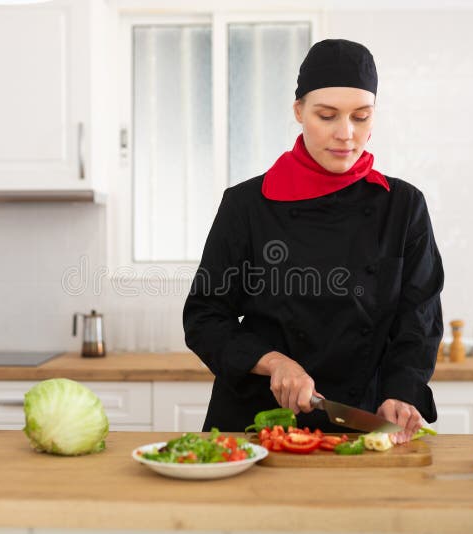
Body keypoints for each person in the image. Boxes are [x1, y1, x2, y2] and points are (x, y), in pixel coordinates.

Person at [182, 39, 444, 444]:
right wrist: (272, 362)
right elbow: (204, 317)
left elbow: (419, 322)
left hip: (362, 422)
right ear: (299, 111)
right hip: (258, 423)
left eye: (361, 117)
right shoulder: (247, 206)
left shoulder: (403, 206)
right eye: (327, 116)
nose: (346, 134)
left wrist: (402, 394)